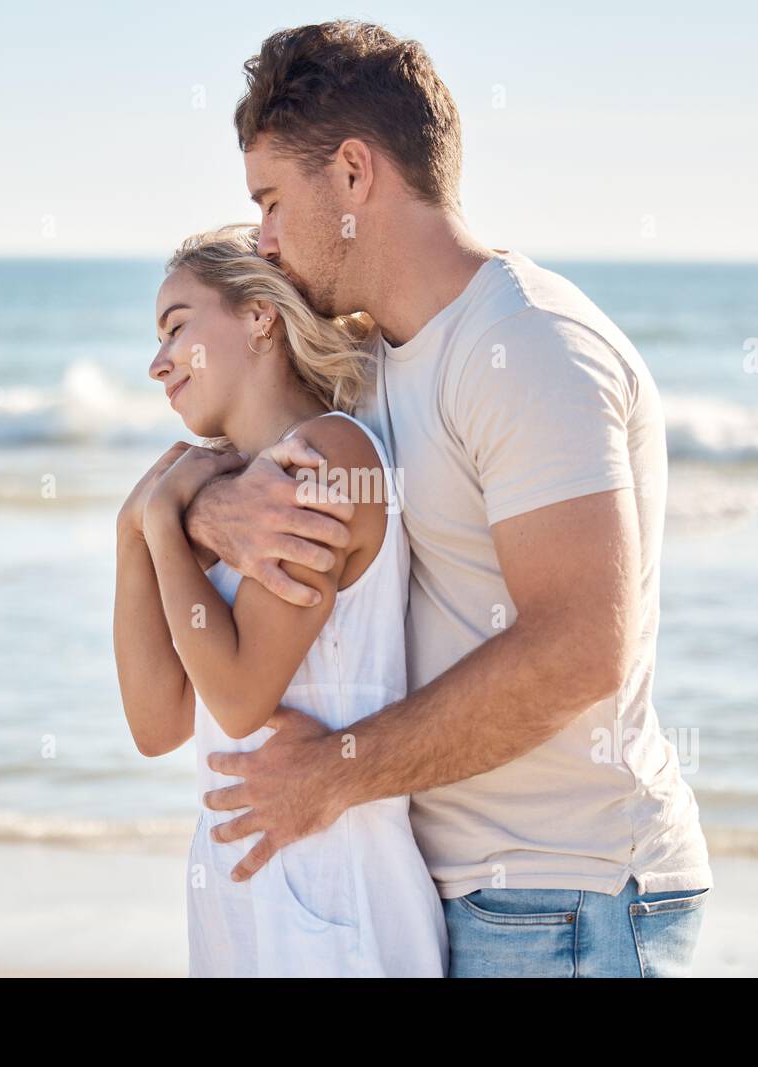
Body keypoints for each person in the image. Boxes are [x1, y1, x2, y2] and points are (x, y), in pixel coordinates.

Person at [179, 20, 715, 978]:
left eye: (269, 200)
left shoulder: (529, 345)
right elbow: (245, 464)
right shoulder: (374, 362)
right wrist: (197, 505)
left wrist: (332, 774)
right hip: (452, 890)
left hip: (571, 898)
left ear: (352, 173)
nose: (260, 236)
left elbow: (580, 646)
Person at [113, 224, 447, 977]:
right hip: (242, 887)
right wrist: (131, 534)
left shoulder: (330, 453)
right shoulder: (228, 495)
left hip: (336, 895)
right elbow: (155, 723)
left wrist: (162, 522)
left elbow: (235, 699)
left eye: (177, 327)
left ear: (259, 316)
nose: (157, 362)